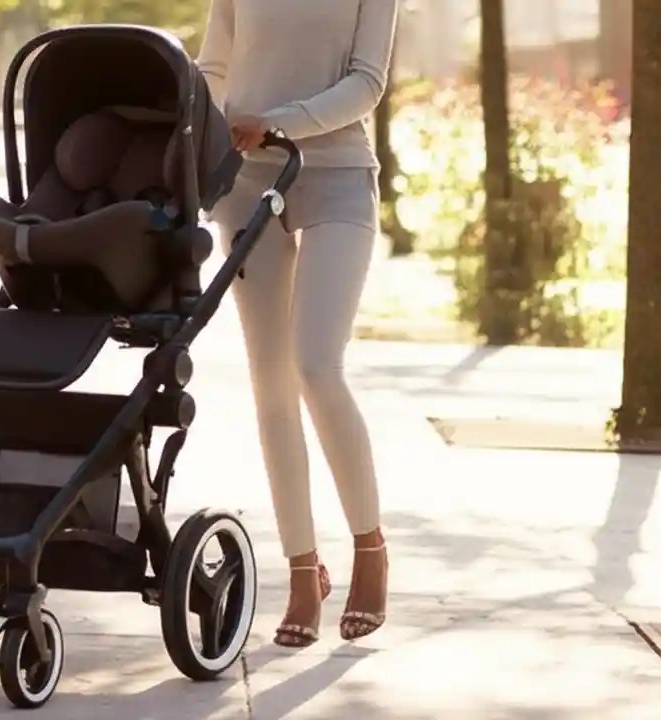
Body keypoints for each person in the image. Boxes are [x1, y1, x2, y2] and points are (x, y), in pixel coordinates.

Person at [196, 0, 398, 647]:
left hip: (336, 175)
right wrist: (196, 144)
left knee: (316, 363)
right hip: (245, 181)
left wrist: (279, 123)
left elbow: (367, 80)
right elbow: (214, 68)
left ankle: (370, 546)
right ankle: (304, 571)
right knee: (272, 386)